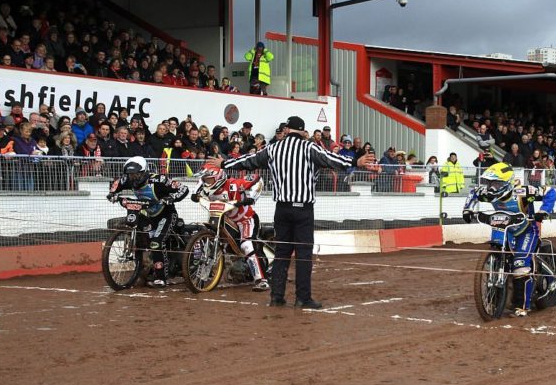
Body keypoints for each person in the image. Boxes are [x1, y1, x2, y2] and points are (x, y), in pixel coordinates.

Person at [207, 115, 375, 308]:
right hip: (303, 208)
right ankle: (303, 297)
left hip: (282, 209)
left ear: (287, 129)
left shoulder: (273, 148)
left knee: (282, 254)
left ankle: (276, 296)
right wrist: (354, 162)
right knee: (303, 255)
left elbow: (249, 160)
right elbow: (332, 160)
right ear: (303, 131)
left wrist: (224, 164)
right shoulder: (309, 147)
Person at [462, 163, 556, 317]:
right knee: (498, 250)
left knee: (520, 263)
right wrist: (468, 209)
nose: (491, 187)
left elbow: (550, 192)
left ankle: (523, 306)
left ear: (507, 183)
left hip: (526, 229)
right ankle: (497, 295)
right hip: (502, 227)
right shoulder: (487, 192)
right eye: (489, 183)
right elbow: (473, 192)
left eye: (496, 183)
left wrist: (544, 211)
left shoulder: (522, 191)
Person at [107, 156, 190, 287]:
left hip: (166, 215)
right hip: (146, 214)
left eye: (136, 174)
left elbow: (183, 189)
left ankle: (161, 277)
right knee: (143, 239)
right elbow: (116, 184)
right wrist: (112, 194)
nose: (133, 178)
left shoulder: (159, 180)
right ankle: (143, 270)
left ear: (144, 171)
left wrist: (171, 198)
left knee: (156, 243)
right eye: (130, 175)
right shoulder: (127, 179)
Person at [191, 164, 271, 291]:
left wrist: (252, 197)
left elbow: (257, 179)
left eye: (209, 179)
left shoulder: (234, 184)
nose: (207, 182)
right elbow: (197, 188)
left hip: (246, 219)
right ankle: (201, 276)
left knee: (246, 245)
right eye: (206, 179)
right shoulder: (205, 184)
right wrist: (195, 194)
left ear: (218, 178)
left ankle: (261, 280)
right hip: (225, 219)